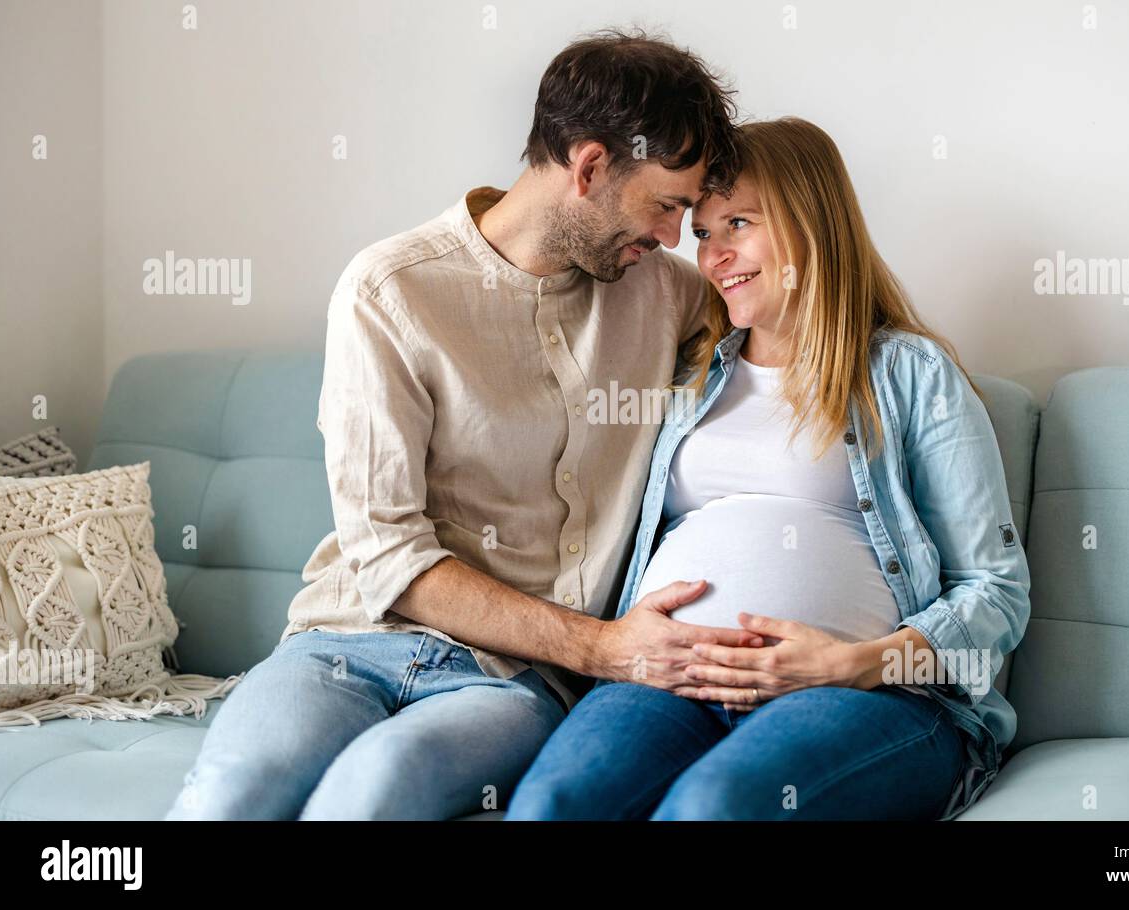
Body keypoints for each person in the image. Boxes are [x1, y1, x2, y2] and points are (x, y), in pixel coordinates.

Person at [164, 29, 758, 821]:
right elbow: (387, 555)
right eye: (666, 205)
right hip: (345, 642)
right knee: (233, 794)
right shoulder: (392, 291)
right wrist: (601, 647)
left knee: (377, 787)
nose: (675, 236)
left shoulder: (662, 290)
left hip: (512, 681)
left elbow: (796, 306)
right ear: (588, 168)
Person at [506, 117, 1032, 821]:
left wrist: (853, 663)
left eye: (739, 224)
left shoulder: (909, 374)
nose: (714, 256)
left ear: (812, 224)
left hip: (861, 696)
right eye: (702, 233)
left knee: (713, 806)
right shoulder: (689, 376)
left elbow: (996, 592)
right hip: (669, 681)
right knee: (550, 805)